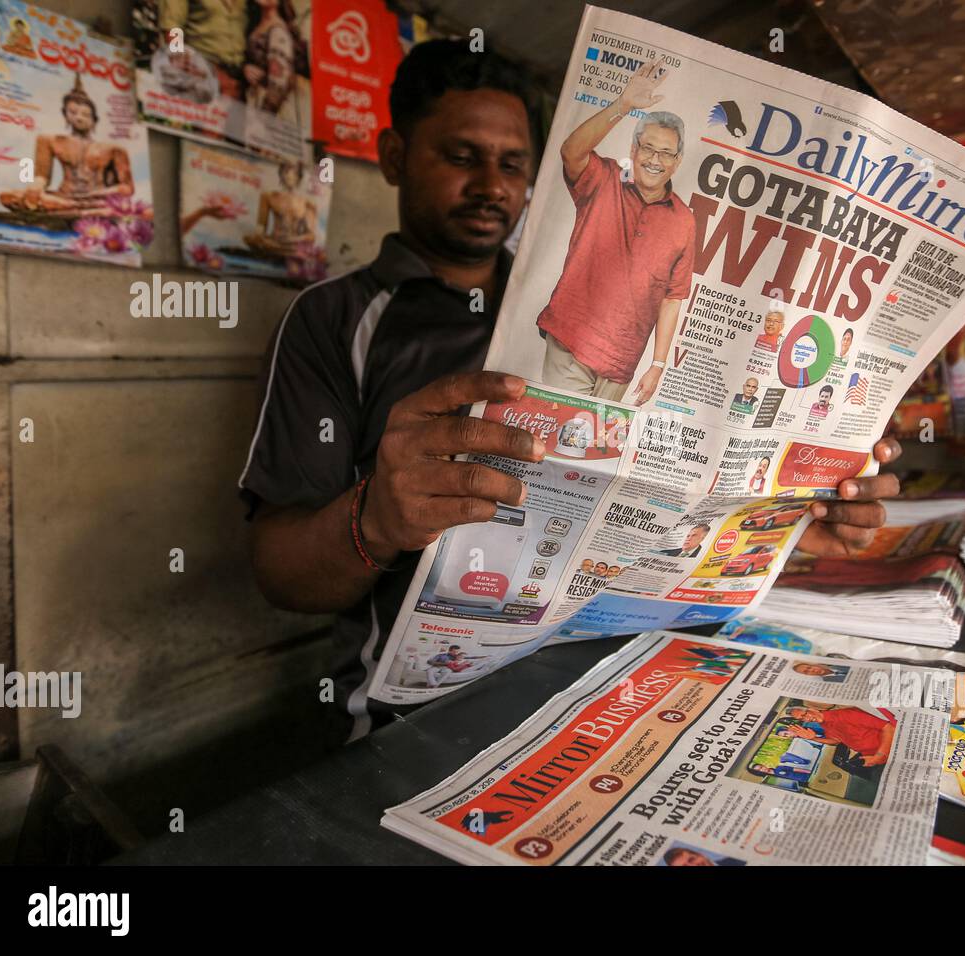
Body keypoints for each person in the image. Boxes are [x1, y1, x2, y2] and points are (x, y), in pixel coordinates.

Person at [241, 40, 903, 741]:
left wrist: (788, 526)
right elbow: (280, 575)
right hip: (420, 714)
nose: (492, 186)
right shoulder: (333, 320)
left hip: (610, 685)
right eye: (462, 157)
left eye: (512, 164)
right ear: (396, 157)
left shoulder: (569, 294)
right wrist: (374, 519)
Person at [535, 59, 695, 405]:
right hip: (571, 341)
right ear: (634, 150)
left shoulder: (684, 220)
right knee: (558, 441)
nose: (655, 159)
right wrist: (623, 106)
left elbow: (672, 297)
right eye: (648, 148)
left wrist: (657, 364)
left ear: (677, 162)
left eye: (666, 153)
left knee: (589, 450)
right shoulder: (604, 178)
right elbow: (571, 151)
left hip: (622, 360)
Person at [0, 74, 135, 218]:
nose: (79, 117)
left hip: (96, 199)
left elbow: (127, 188)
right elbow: (41, 176)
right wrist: (36, 186)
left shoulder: (113, 149)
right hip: (63, 197)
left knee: (119, 207)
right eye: (73, 112)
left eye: (85, 114)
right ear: (65, 115)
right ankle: (79, 210)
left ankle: (72, 211)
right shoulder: (49, 140)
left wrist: (94, 195)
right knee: (7, 196)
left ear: (94, 120)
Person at [242, 161, 317, 258]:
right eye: (286, 172)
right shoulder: (268, 197)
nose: (290, 176)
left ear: (299, 177)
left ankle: (286, 250)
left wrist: (292, 240)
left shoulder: (308, 203)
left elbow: (311, 236)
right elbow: (261, 226)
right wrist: (258, 236)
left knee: (307, 249)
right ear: (281, 175)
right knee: (250, 239)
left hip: (294, 244)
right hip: (274, 242)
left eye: (294, 173)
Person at [784, 705, 896, 767]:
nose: (806, 719)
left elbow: (888, 727)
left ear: (812, 709)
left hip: (890, 749)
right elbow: (835, 741)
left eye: (805, 714)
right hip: (874, 756)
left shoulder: (845, 714)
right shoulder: (824, 724)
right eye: (802, 719)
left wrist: (880, 755)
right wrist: (813, 738)